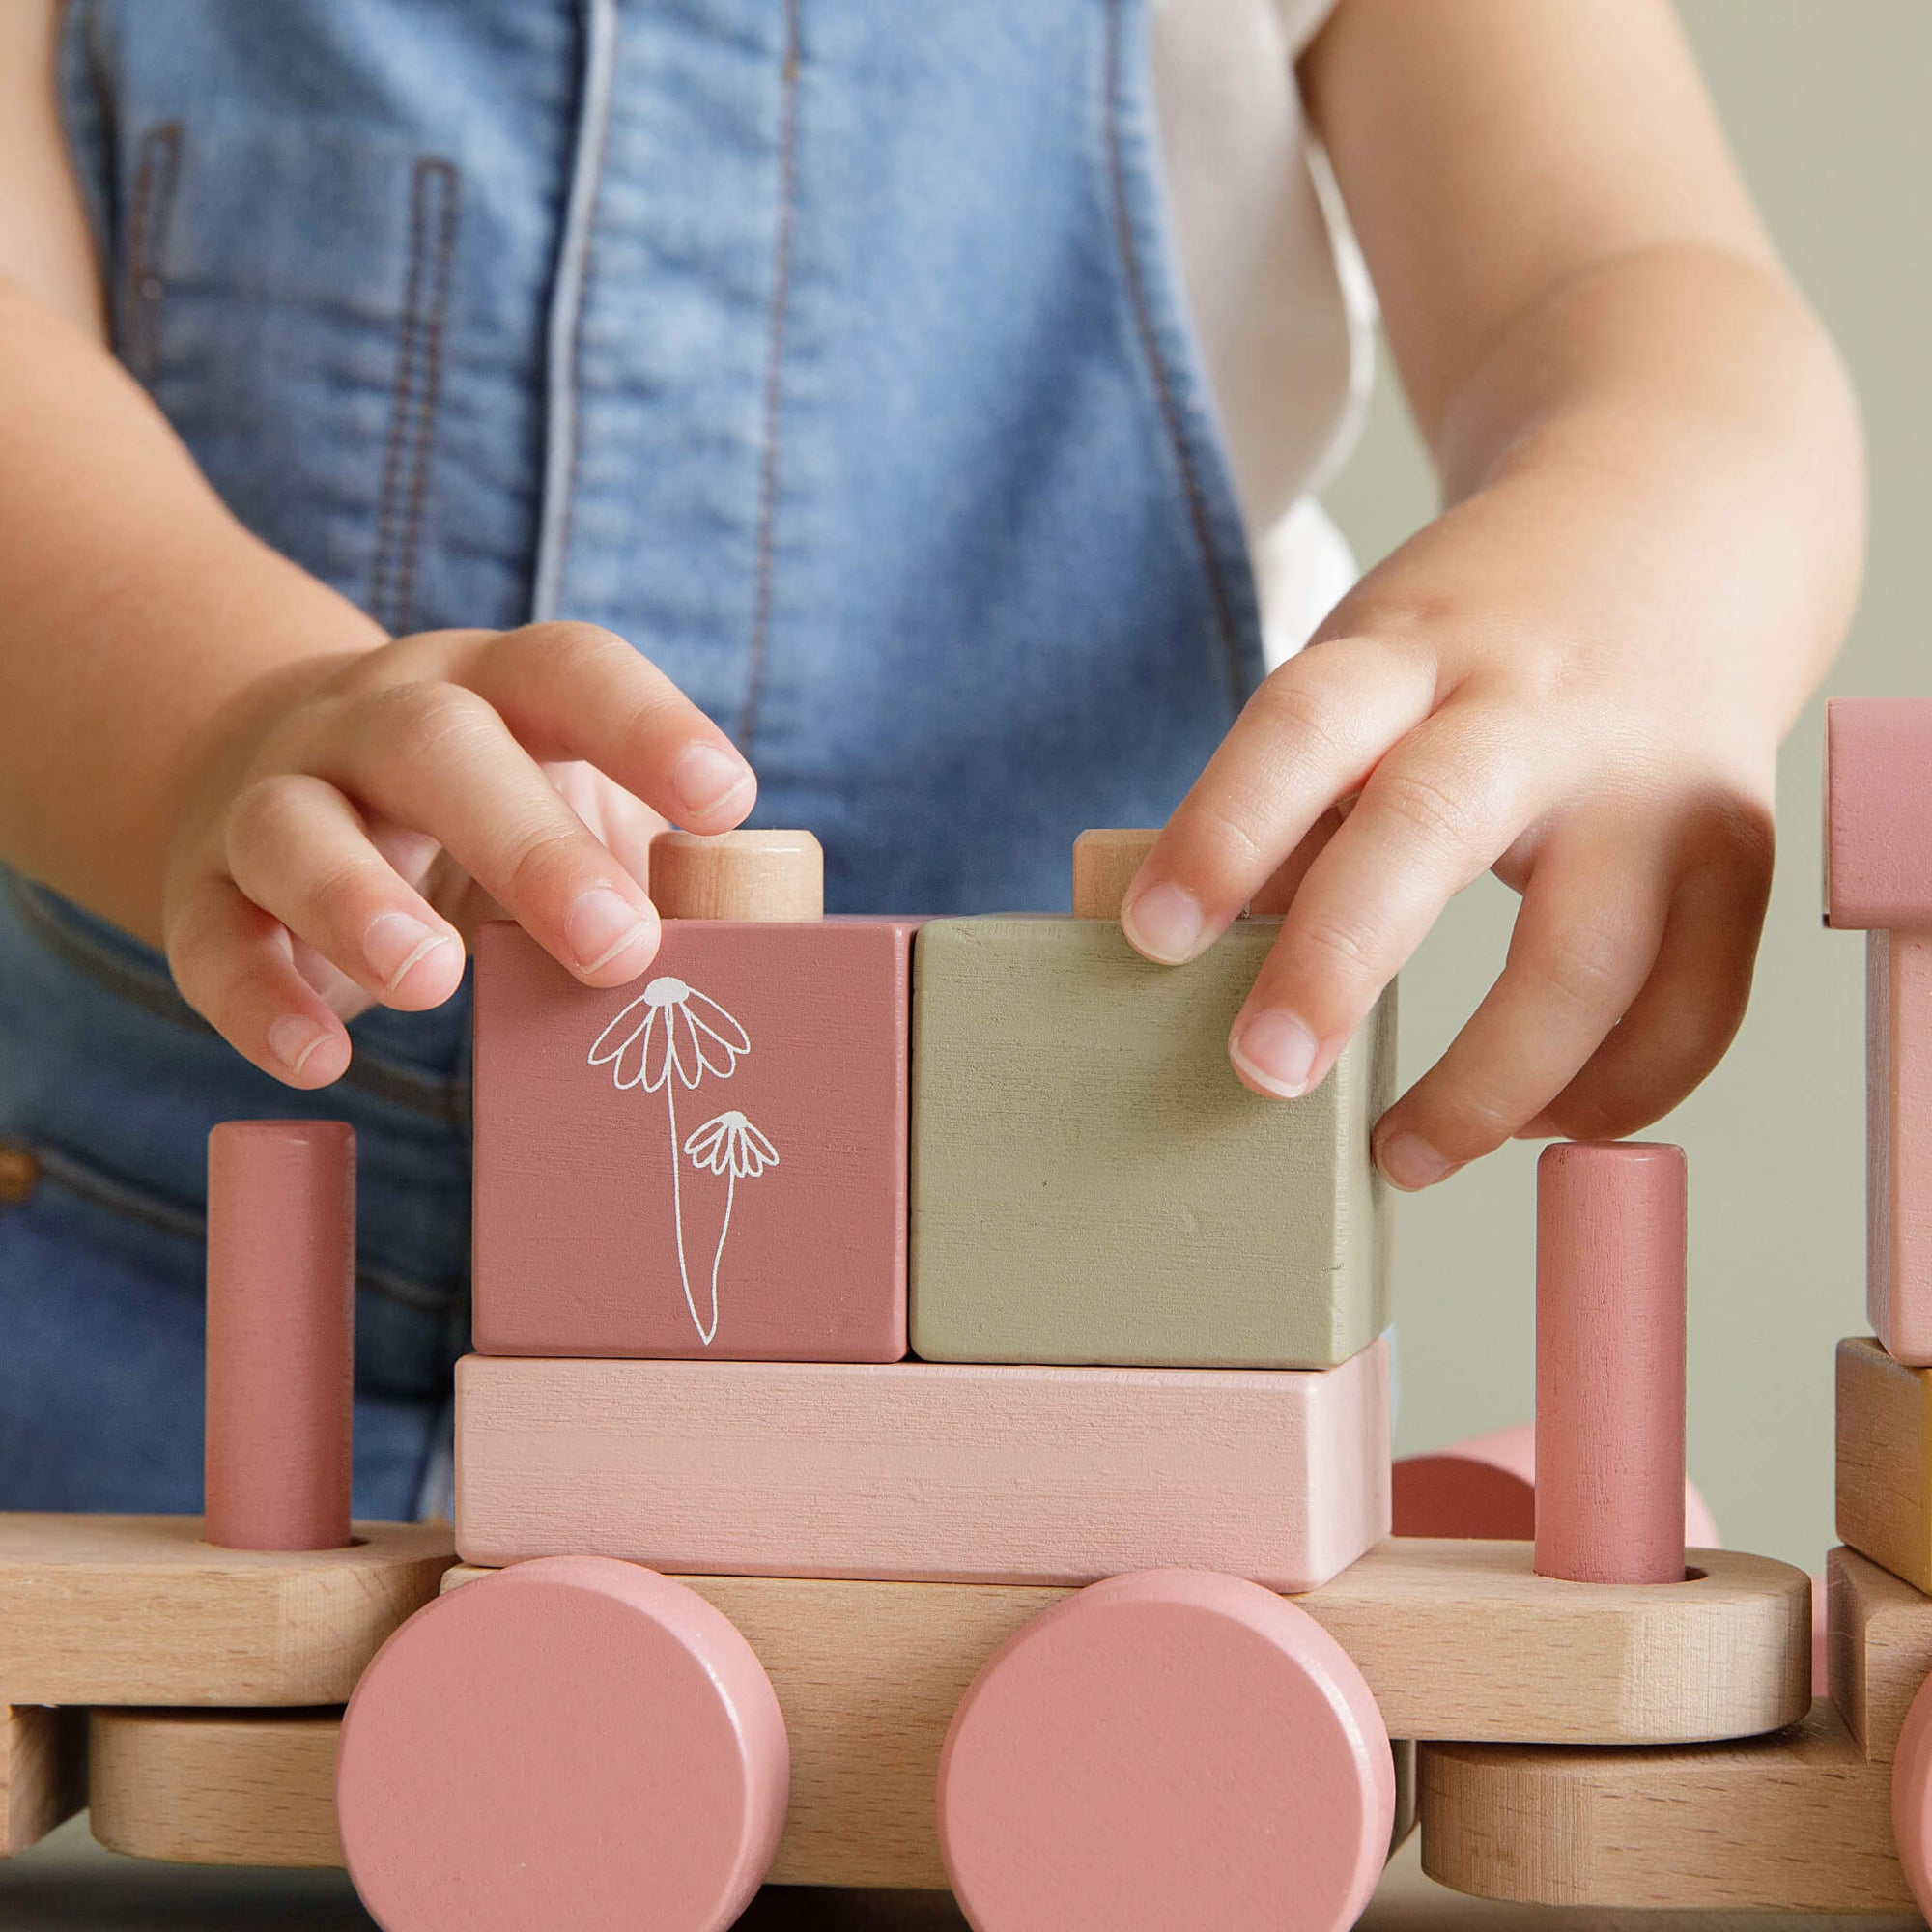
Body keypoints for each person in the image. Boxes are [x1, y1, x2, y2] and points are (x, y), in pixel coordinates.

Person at [0, 0, 1862, 1516]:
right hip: (123, 1359)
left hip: (1037, 1435)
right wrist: (224, 727)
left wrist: (1639, 575)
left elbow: (1638, 285)